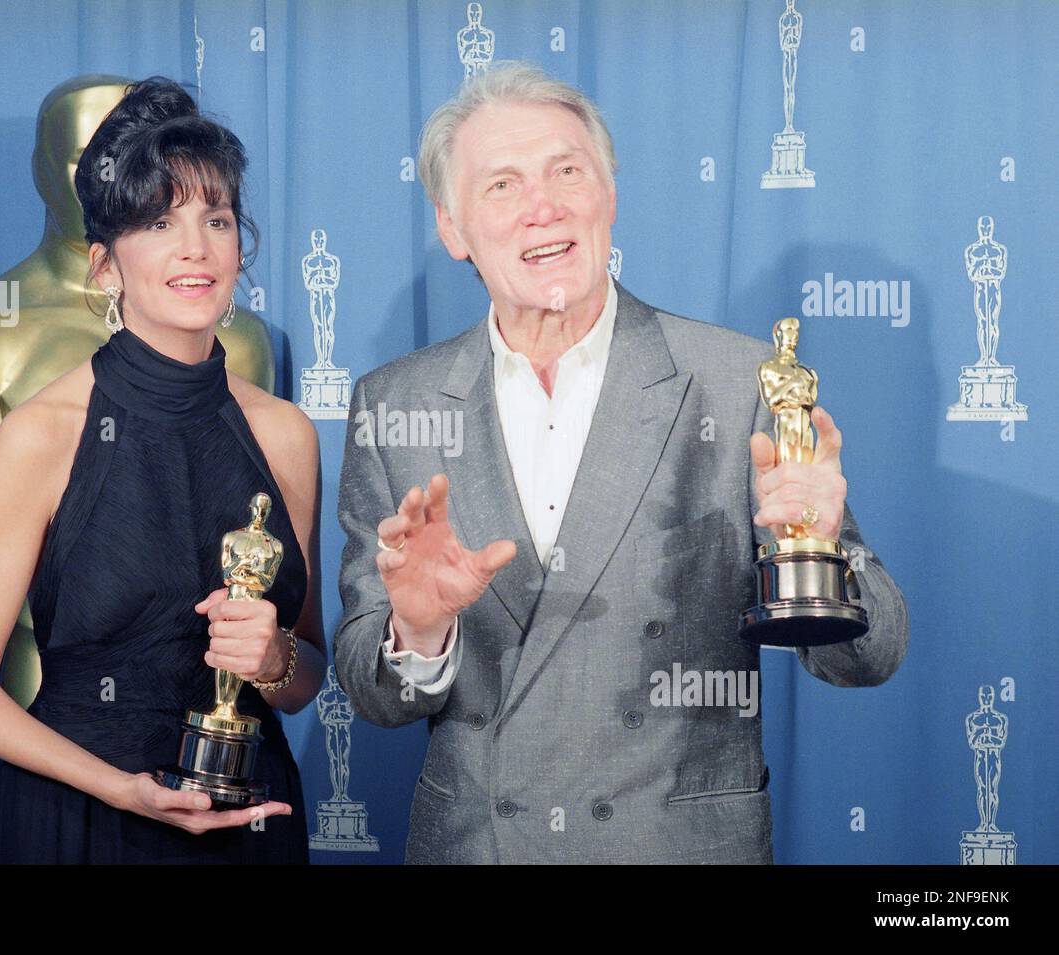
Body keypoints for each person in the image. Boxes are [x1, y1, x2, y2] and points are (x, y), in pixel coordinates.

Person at [333, 62, 909, 864]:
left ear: (609, 194)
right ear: (453, 227)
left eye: (568, 171)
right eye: (501, 185)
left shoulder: (738, 384)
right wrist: (421, 629)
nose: (545, 205)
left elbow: (867, 657)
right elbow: (368, 687)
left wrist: (817, 547)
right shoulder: (396, 404)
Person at [0, 77, 325, 864]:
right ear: (106, 266)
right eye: (158, 222)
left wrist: (274, 660)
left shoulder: (286, 433)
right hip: (86, 819)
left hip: (251, 819)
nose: (194, 248)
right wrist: (118, 787)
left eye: (215, 219)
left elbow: (306, 673)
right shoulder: (44, 432)